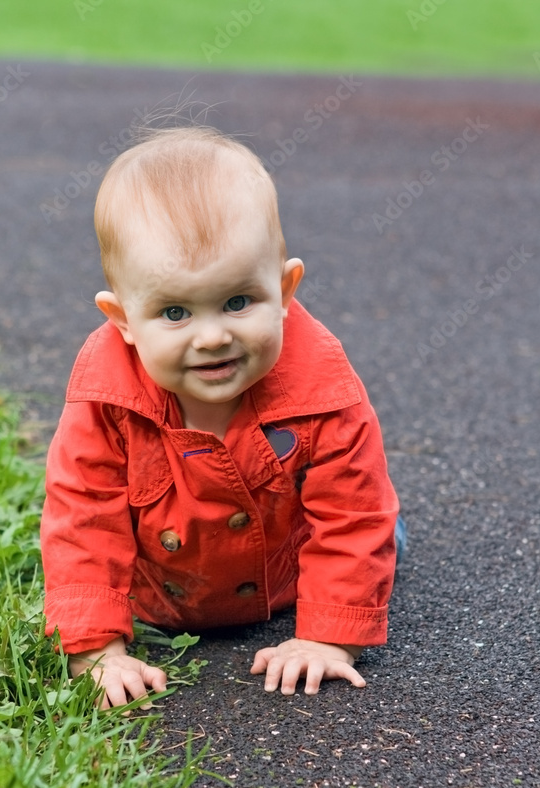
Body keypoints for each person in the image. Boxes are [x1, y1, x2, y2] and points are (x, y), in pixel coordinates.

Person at [40, 125, 402, 709]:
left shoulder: (324, 388)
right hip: (160, 592)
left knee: (377, 520)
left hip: (283, 576)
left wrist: (328, 640)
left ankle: (395, 536)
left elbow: (351, 512)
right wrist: (96, 649)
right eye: (175, 312)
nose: (213, 336)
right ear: (123, 320)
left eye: (238, 302)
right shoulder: (106, 397)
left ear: (285, 290)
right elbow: (83, 515)